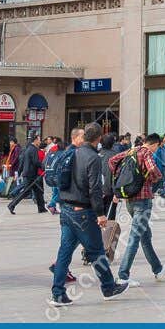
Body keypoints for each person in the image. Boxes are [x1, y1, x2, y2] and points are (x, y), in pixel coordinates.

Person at [50, 125, 131, 306]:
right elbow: (94, 188)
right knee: (96, 252)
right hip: (83, 213)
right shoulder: (92, 157)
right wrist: (100, 213)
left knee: (64, 252)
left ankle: (57, 293)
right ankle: (109, 288)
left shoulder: (72, 153)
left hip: (66, 209)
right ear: (99, 138)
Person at [110, 133, 165, 284]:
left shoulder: (131, 150)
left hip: (130, 199)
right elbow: (154, 170)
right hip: (143, 201)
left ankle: (158, 269)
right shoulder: (147, 153)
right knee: (135, 238)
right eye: (157, 147)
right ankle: (123, 276)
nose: (156, 150)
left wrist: (123, 179)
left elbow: (112, 161)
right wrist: (154, 178)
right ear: (154, 144)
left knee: (145, 236)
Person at [5, 133, 46, 215]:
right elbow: (36, 161)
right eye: (39, 139)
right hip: (31, 174)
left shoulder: (28, 148)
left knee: (38, 191)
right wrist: (44, 167)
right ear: (35, 140)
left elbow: (22, 161)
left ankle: (41, 208)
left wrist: (19, 172)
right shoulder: (33, 149)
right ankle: (11, 205)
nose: (40, 141)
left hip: (29, 173)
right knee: (26, 192)